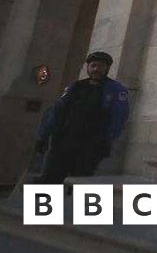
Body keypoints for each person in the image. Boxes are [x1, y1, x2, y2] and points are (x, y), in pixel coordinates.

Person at [34, 51, 129, 184]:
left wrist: (106, 140)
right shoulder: (76, 86)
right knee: (51, 177)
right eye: (93, 65)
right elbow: (57, 111)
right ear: (88, 67)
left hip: (91, 144)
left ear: (107, 68)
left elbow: (119, 117)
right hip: (63, 141)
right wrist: (43, 136)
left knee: (80, 181)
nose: (96, 69)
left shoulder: (115, 89)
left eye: (100, 66)